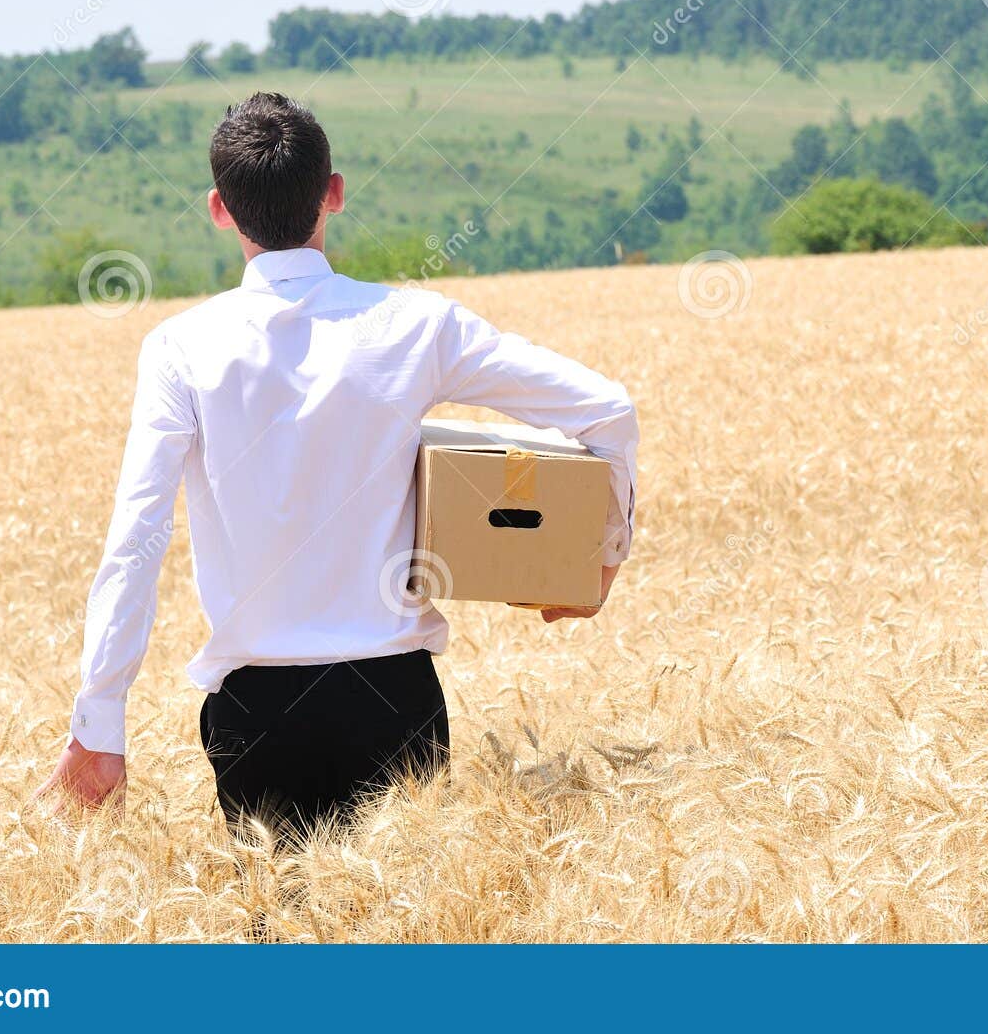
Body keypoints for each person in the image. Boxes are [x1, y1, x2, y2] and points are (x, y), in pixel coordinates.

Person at [37, 91, 638, 845]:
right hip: (394, 696)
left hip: (252, 714)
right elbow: (608, 410)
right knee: (408, 948)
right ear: (335, 193)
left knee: (277, 950)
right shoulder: (419, 324)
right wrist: (598, 561)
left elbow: (136, 539)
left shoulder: (179, 348)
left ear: (220, 209)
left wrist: (100, 723)